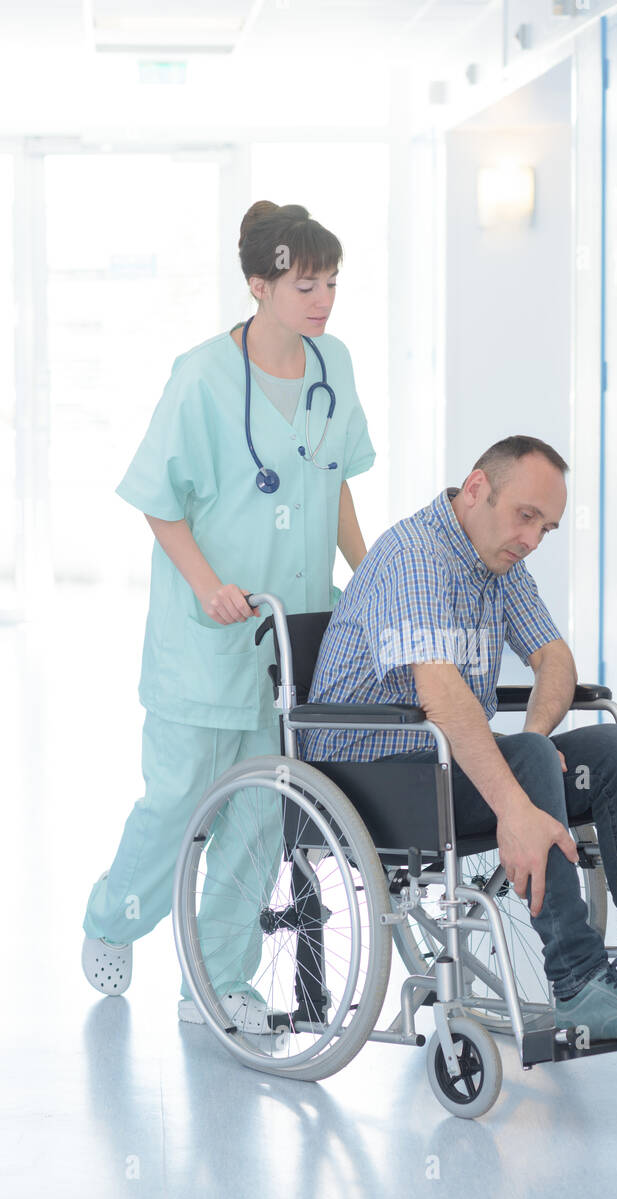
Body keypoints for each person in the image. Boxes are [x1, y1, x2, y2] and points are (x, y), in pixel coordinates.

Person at [299, 435, 617, 1041]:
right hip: (373, 777)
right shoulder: (414, 555)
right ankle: (578, 983)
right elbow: (437, 692)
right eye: (526, 517)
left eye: (548, 527)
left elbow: (555, 659)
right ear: (476, 488)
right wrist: (516, 800)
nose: (533, 539)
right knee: (530, 758)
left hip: (443, 763)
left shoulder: (498, 560)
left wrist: (536, 739)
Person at [81, 201, 375, 1031]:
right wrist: (208, 584)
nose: (321, 299)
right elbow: (157, 501)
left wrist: (369, 573)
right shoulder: (201, 375)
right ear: (258, 285)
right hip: (207, 639)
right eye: (304, 283)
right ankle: (113, 914)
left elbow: (336, 477)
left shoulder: (335, 365)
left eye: (330, 283)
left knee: (258, 817)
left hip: (292, 634)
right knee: (175, 806)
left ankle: (215, 984)